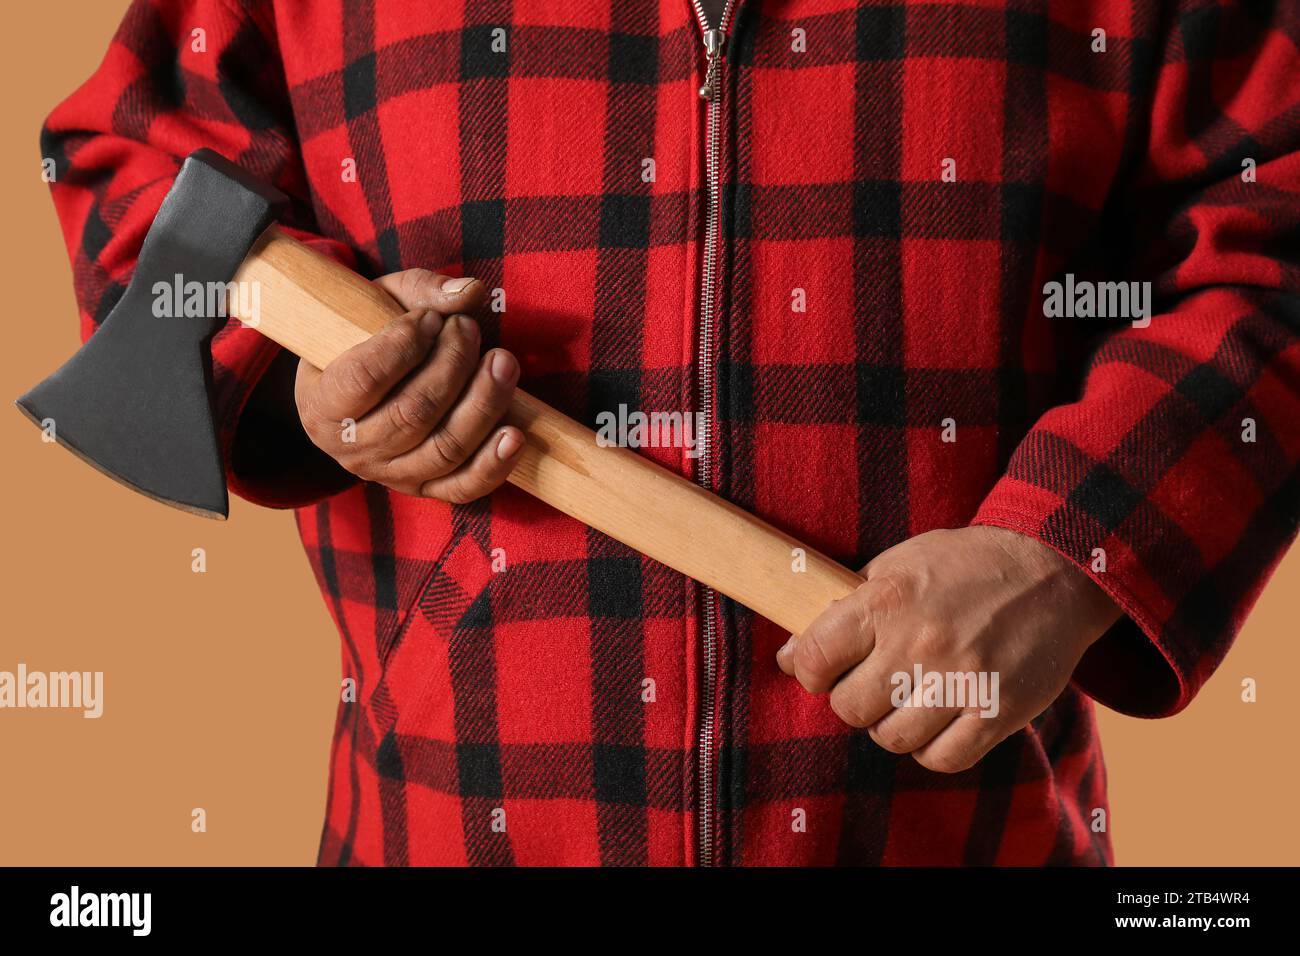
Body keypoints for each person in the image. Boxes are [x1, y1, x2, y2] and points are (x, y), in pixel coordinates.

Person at [41, 0, 1299, 866]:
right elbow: (124, 162)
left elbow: (1277, 218)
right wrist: (306, 364)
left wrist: (1073, 547)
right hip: (435, 828)